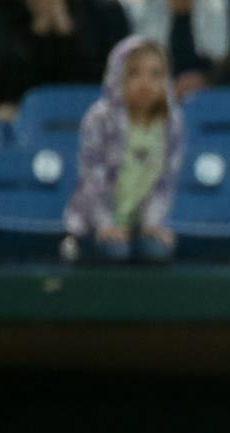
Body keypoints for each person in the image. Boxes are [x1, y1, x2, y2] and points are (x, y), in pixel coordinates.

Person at [63, 37, 182, 265]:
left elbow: (165, 181)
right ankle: (75, 244)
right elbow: (91, 179)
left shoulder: (171, 123)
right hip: (93, 224)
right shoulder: (99, 118)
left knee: (157, 251)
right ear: (117, 76)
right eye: (135, 73)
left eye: (155, 74)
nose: (145, 82)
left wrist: (153, 223)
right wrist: (105, 224)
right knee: (115, 251)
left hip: (138, 227)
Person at [0, 0, 132, 111]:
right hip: (3, 131)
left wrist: (65, 32)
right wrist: (38, 33)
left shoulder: (107, 13)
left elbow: (110, 83)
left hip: (87, 125)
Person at [127, 0, 230, 97]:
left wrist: (207, 79)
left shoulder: (220, 11)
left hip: (209, 93)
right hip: (158, 93)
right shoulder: (145, 12)